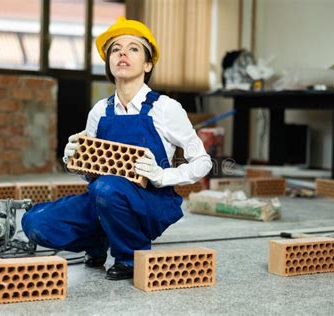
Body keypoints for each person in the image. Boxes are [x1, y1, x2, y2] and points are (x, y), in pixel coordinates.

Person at [22, 17, 212, 280]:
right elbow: (92, 173)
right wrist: (74, 160)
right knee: (35, 223)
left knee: (107, 188)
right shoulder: (100, 111)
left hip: (149, 202)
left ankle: (130, 256)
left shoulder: (165, 108)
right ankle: (97, 242)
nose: (122, 53)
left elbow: (203, 162)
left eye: (133, 48)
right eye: (115, 49)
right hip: (103, 197)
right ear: (109, 63)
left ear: (148, 63)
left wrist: (162, 176)